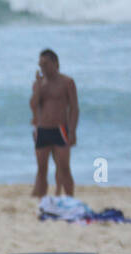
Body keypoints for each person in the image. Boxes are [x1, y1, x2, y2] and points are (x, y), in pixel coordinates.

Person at [30, 49, 79, 198]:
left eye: (45, 64)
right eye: (40, 64)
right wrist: (38, 88)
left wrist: (72, 130)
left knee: (64, 168)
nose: (42, 67)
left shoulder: (67, 82)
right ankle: (42, 201)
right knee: (41, 169)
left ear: (55, 63)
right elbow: (33, 105)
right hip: (43, 129)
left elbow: (74, 108)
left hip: (60, 129)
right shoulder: (39, 84)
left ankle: (70, 199)